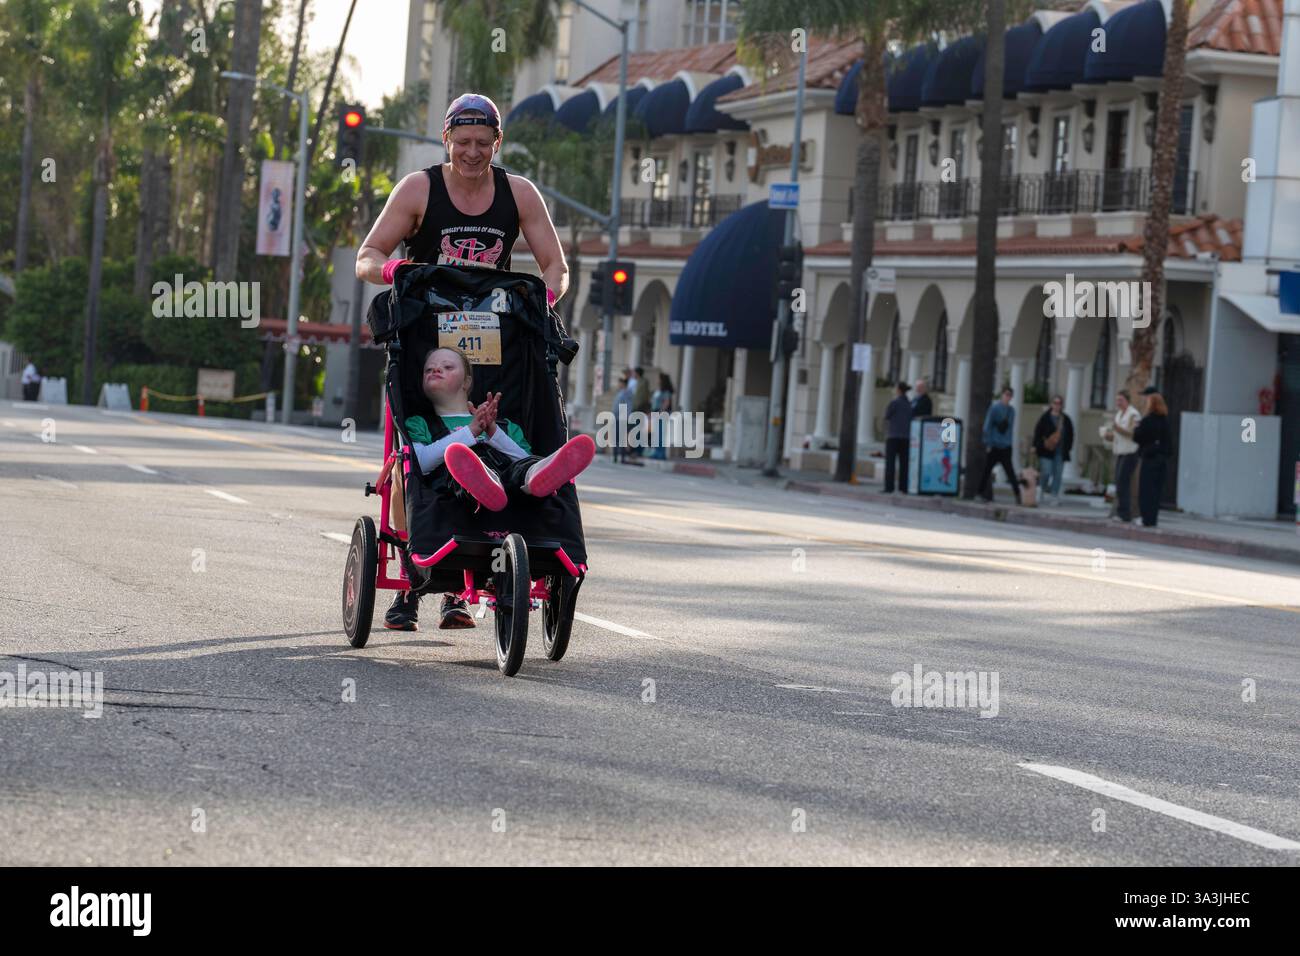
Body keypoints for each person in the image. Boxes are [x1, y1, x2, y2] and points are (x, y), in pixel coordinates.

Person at [356, 92, 570, 632]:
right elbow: (368, 256)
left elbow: (556, 268)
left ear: (497, 144)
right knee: (414, 453)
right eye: (463, 142)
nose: (472, 153)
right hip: (428, 340)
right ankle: (416, 577)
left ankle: (512, 506)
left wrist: (542, 302)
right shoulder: (419, 188)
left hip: (493, 338)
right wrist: (395, 275)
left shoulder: (518, 194)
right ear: (446, 140)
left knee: (503, 428)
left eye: (483, 143)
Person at [405, 347, 595, 513]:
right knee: (460, 465)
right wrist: (470, 432)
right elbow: (420, 463)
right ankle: (487, 483)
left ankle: (540, 473)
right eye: (428, 369)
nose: (436, 370)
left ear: (466, 382)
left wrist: (493, 432)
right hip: (457, 491)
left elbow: (522, 459)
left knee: (526, 467)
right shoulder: (419, 423)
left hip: (512, 485)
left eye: (448, 367)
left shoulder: (505, 426)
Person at [977, 387, 1021, 504]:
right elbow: (987, 426)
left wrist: (1009, 443)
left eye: (1010, 395)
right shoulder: (994, 408)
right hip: (994, 445)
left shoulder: (1012, 411)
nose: (1008, 397)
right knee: (987, 470)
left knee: (1010, 472)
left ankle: (1018, 495)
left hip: (1006, 446)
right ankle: (980, 493)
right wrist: (988, 442)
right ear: (1002, 395)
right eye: (1006, 394)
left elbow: (1010, 429)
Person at [1133, 389, 1171, 528]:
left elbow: (1138, 437)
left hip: (1149, 459)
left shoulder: (1148, 420)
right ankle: (1152, 519)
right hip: (1161, 460)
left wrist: (1136, 428)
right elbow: (1169, 444)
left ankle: (1145, 519)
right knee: (1156, 492)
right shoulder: (1165, 421)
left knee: (1146, 490)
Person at [1031, 395, 1074, 506]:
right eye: (1055, 403)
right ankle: (1041, 489)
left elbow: (1071, 435)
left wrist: (1068, 447)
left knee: (1058, 474)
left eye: (1059, 403)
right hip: (1046, 451)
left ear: (1061, 405)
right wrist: (1035, 445)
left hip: (1060, 452)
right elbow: (1037, 432)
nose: (1057, 405)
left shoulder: (1066, 419)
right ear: (1051, 404)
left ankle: (1054, 495)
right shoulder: (1045, 418)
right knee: (1046, 472)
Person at [1107, 389, 1141, 523]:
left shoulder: (1134, 414)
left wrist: (1117, 429)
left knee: (1123, 482)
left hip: (1130, 452)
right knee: (1119, 482)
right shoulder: (1119, 414)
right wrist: (1108, 435)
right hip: (1120, 451)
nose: (1118, 403)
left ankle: (1125, 514)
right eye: (1117, 400)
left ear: (1127, 400)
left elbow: (1133, 433)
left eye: (1120, 400)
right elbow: (1118, 434)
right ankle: (1122, 512)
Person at [882, 381, 913, 494]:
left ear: (899, 390)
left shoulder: (894, 403)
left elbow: (887, 417)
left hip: (893, 436)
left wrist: (886, 432)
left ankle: (889, 487)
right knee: (904, 463)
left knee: (890, 463)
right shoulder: (909, 404)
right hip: (906, 437)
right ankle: (903, 487)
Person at [650, 373, 675, 459]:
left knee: (661, 434)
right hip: (656, 412)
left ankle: (661, 453)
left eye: (659, 379)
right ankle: (656, 452)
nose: (657, 381)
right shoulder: (659, 390)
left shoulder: (666, 392)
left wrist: (661, 411)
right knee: (656, 434)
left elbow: (666, 402)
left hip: (662, 413)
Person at [612, 375, 634, 464]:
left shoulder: (627, 393)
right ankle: (616, 457)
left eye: (620, 383)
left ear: (623, 384)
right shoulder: (620, 393)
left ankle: (621, 457)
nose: (618, 384)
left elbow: (628, 407)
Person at [631, 366, 651, 457]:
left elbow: (643, 397)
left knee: (639, 431)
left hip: (640, 409)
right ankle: (634, 449)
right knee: (635, 431)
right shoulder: (635, 382)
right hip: (634, 409)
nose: (633, 374)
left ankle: (638, 451)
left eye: (634, 372)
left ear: (637, 373)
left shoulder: (644, 382)